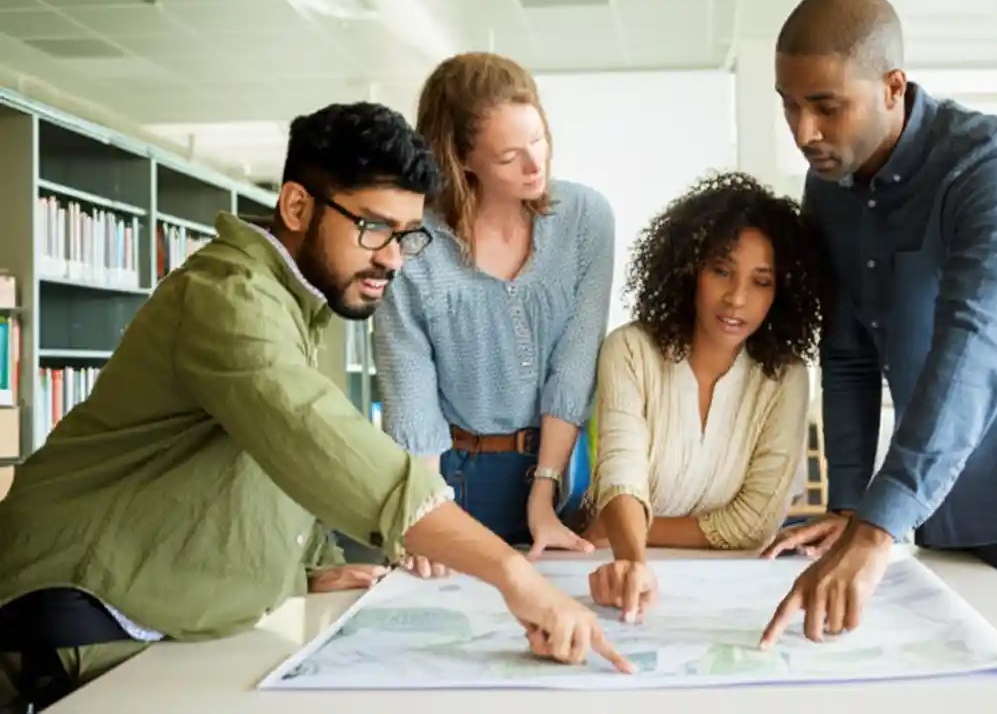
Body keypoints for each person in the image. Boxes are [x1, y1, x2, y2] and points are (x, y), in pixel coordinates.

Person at [0, 102, 631, 712]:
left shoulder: (300, 300)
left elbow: (260, 458)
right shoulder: (229, 299)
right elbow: (313, 436)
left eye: (406, 237)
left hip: (154, 612)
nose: (390, 257)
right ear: (297, 205)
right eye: (373, 227)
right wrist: (515, 579)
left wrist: (311, 563)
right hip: (88, 612)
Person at [759, 0, 997, 648]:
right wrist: (848, 503)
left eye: (826, 106)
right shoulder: (826, 188)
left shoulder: (992, 169)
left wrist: (877, 527)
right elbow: (848, 355)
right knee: (970, 674)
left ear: (893, 87)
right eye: (788, 102)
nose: (802, 129)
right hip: (933, 489)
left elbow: (974, 352)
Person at [374, 52, 614, 558]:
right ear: (460, 160)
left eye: (539, 140)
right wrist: (425, 514)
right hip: (448, 478)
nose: (535, 165)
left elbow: (574, 366)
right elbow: (411, 397)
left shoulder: (585, 219)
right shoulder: (414, 247)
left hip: (561, 472)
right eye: (509, 157)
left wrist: (544, 496)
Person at [578, 172, 823, 621]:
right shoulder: (630, 350)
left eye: (761, 282)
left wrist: (627, 533)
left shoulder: (785, 377)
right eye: (722, 271)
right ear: (691, 270)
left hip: (727, 595)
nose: (736, 298)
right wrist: (631, 561)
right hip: (617, 579)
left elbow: (753, 524)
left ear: (781, 292)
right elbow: (621, 475)